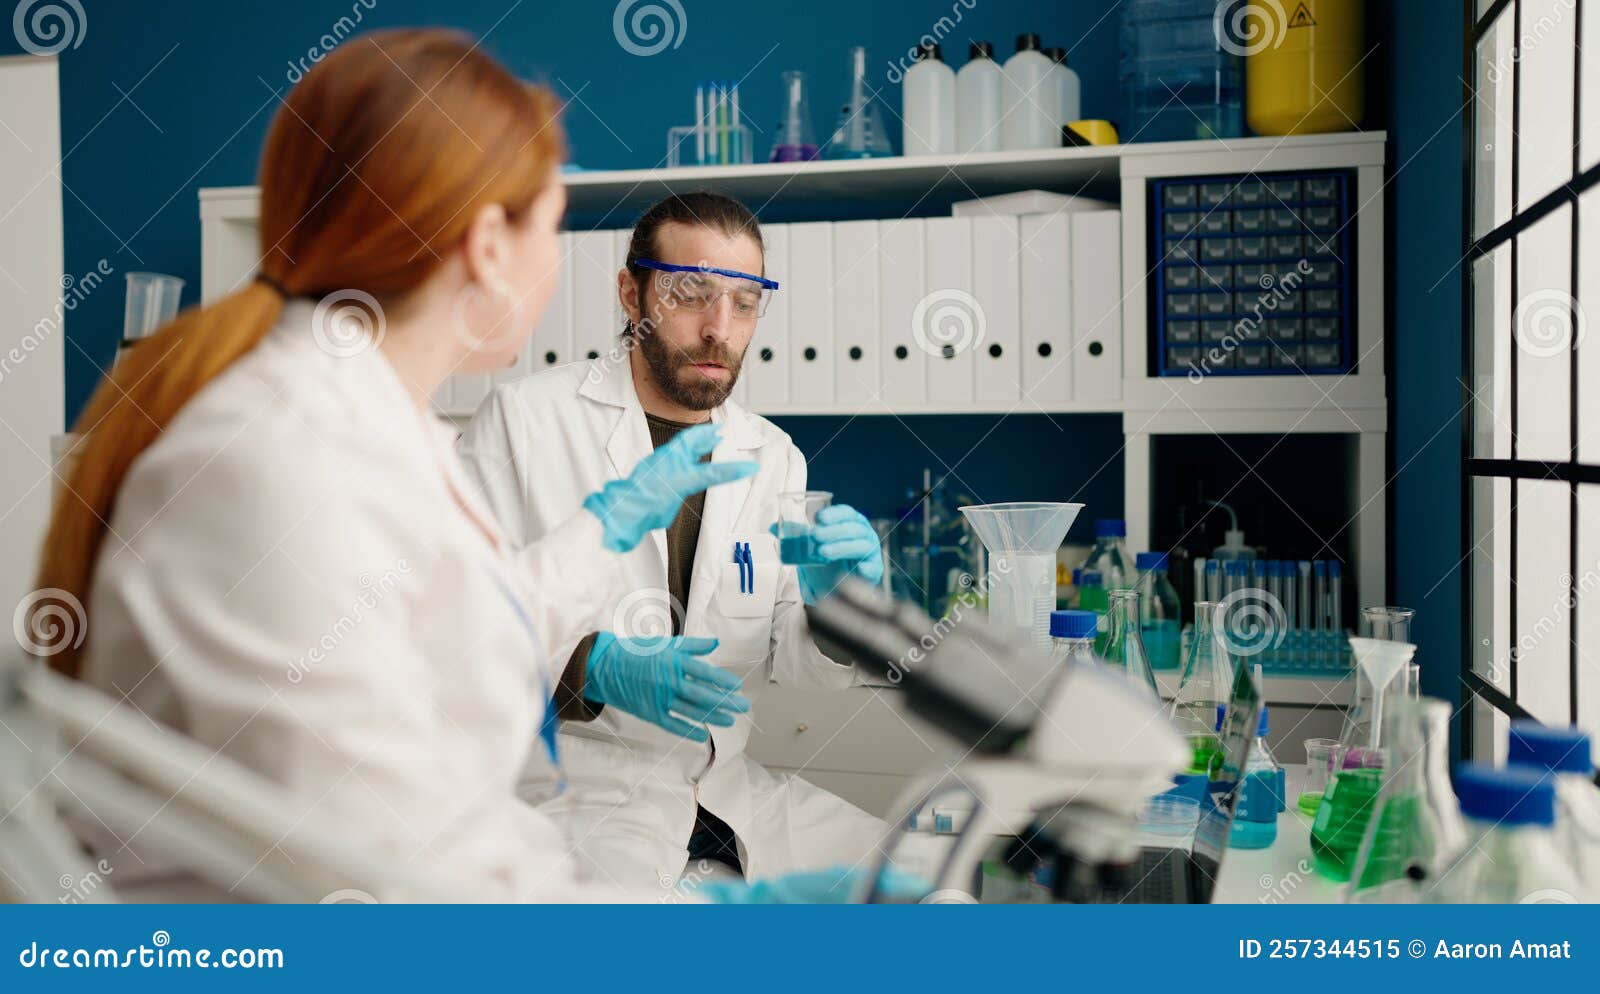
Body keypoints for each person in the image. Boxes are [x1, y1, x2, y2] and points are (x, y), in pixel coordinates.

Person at [31, 29, 901, 904]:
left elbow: (444, 651)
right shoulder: (286, 458)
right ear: (490, 246)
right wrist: (682, 921)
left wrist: (598, 537)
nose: (556, 263)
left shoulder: (363, 418)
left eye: (742, 302)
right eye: (551, 225)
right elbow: (383, 845)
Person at [456, 192, 892, 887]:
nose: (720, 328)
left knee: (934, 880)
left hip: (726, 791)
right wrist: (588, 668)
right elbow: (447, 635)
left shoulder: (771, 454)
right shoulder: (524, 423)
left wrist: (840, 609)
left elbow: (796, 661)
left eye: (744, 303)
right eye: (691, 294)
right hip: (576, 792)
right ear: (633, 294)